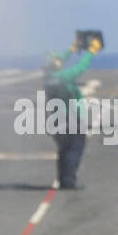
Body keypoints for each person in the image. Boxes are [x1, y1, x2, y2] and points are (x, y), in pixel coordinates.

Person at [44, 33, 102, 189]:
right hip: (70, 119)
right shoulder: (63, 76)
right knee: (75, 148)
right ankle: (69, 181)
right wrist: (92, 51)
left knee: (63, 150)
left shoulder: (48, 78)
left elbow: (58, 61)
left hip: (55, 119)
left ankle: (63, 179)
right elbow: (81, 67)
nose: (60, 60)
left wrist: (72, 49)